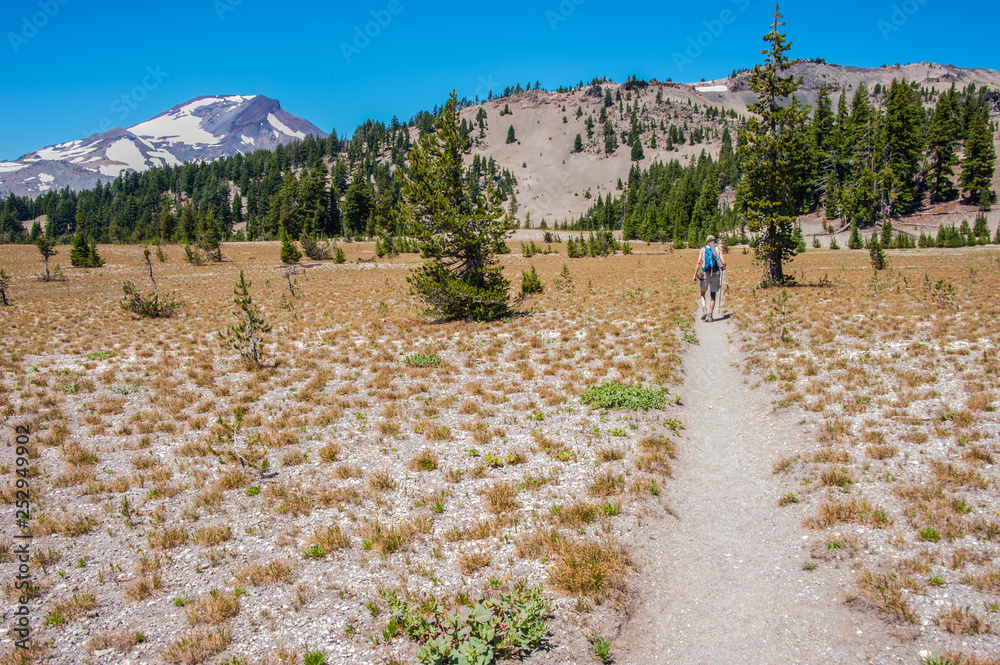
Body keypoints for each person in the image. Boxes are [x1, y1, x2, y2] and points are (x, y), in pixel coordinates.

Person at [692, 235, 726, 321]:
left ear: (707, 241)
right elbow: (724, 263)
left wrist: (695, 275)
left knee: (702, 293)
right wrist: (722, 268)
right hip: (715, 273)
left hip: (705, 273)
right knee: (713, 295)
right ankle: (710, 315)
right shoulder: (718, 250)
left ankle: (704, 308)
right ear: (714, 241)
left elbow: (698, 262)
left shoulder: (703, 249)